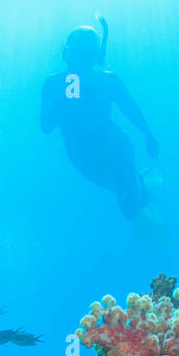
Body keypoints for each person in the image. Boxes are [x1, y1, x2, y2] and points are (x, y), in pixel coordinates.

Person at [40, 17, 160, 223]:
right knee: (129, 199)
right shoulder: (57, 84)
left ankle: (136, 188)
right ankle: (136, 187)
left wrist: (148, 134)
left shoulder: (106, 81)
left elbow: (130, 108)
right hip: (86, 151)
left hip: (105, 146)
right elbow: (46, 127)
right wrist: (147, 134)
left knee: (130, 200)